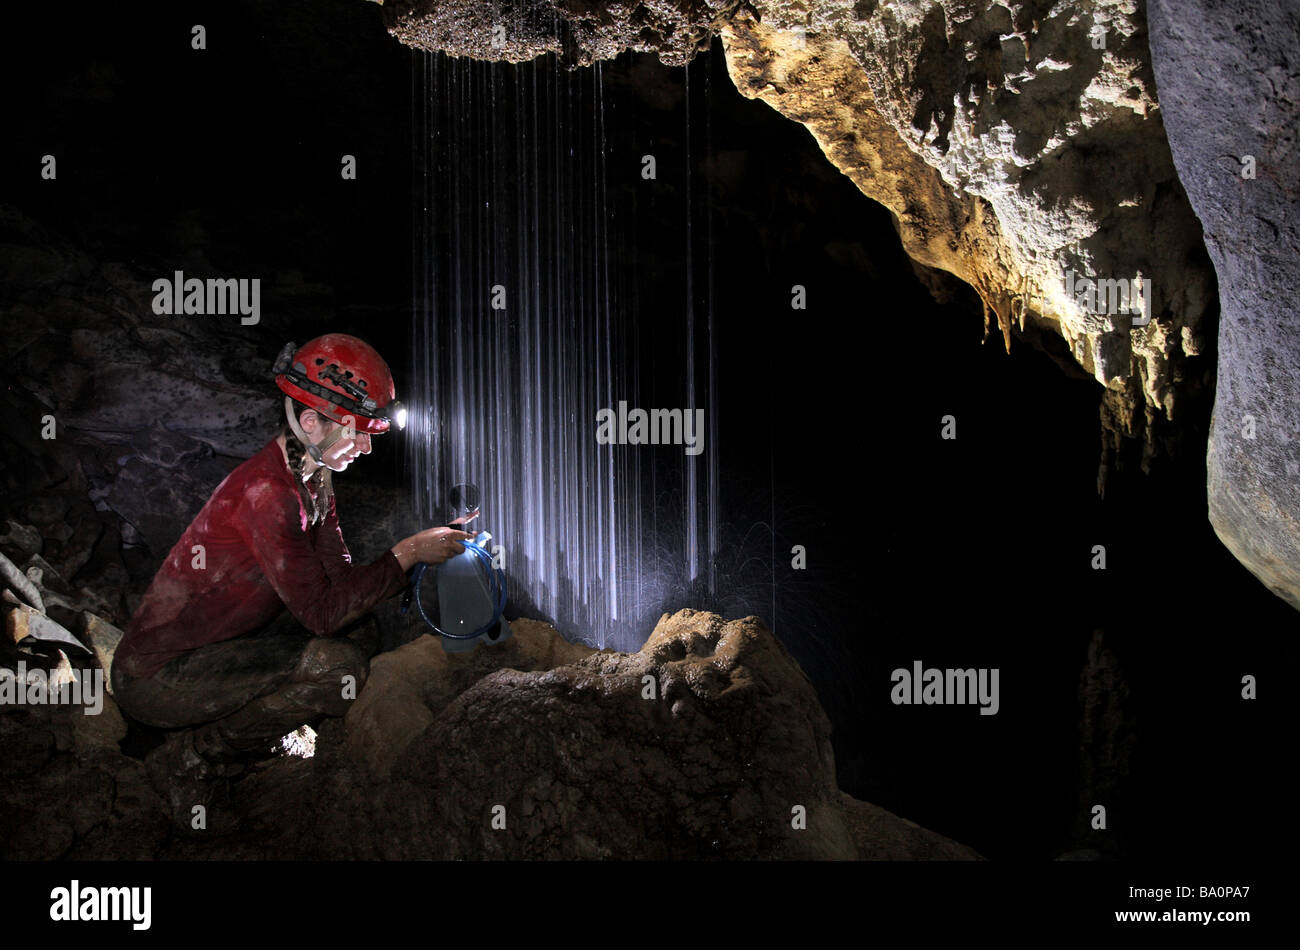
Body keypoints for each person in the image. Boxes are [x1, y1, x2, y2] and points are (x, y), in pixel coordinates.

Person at [111, 334, 471, 824]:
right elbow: (323, 615)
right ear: (310, 422)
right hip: (159, 675)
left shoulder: (312, 474)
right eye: (357, 432)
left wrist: (418, 552)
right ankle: (194, 759)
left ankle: (243, 717)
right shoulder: (268, 494)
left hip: (228, 641)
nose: (366, 446)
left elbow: (340, 579)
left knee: (360, 630)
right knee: (337, 667)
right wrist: (408, 552)